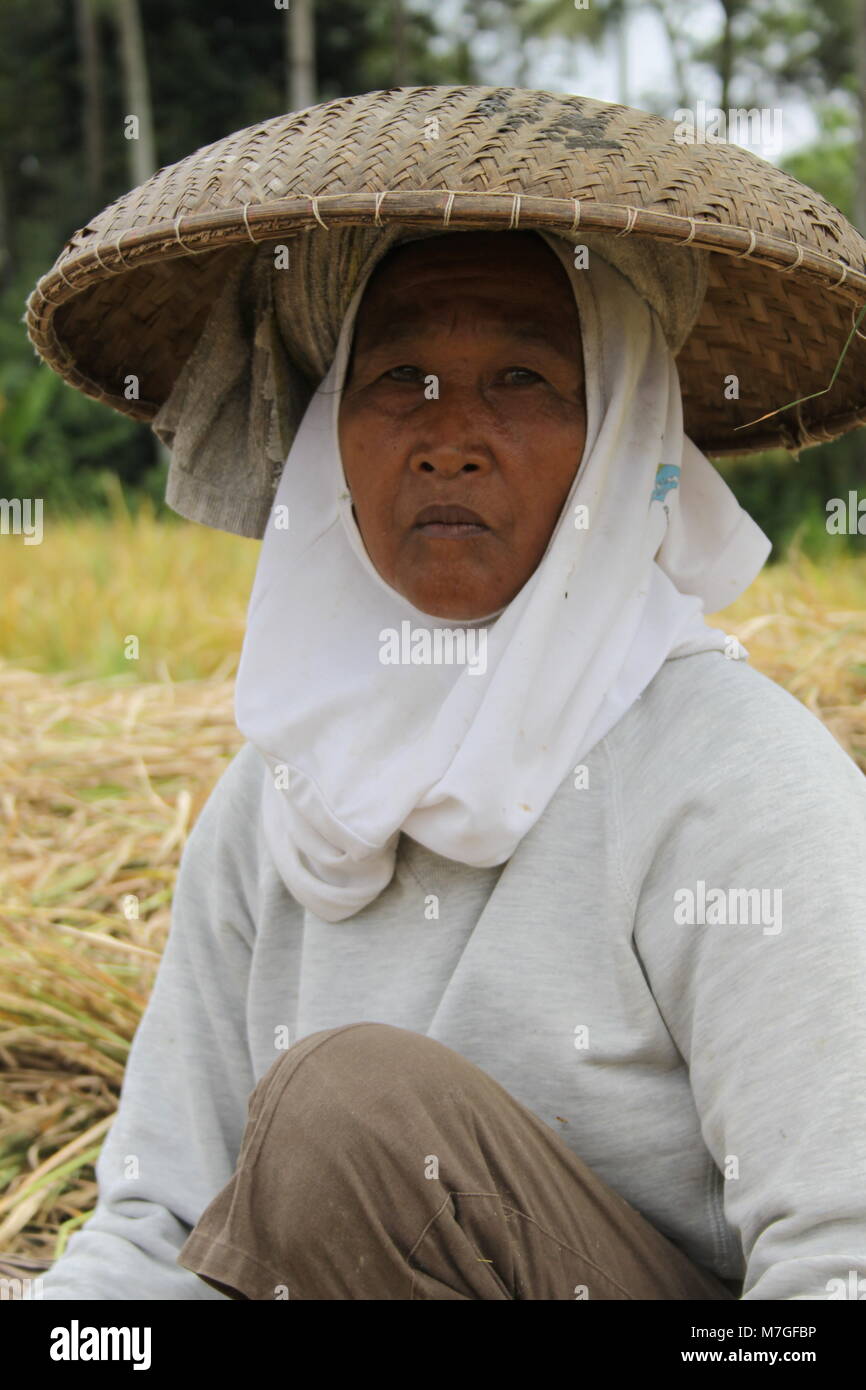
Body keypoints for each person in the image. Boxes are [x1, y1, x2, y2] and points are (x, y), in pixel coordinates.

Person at [27, 222, 866, 1301]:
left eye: (519, 377)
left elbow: (839, 1259)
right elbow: (160, 1222)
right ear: (334, 431)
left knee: (351, 1109)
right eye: (395, 380)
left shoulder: (734, 777)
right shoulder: (278, 790)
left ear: (615, 431)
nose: (448, 436)